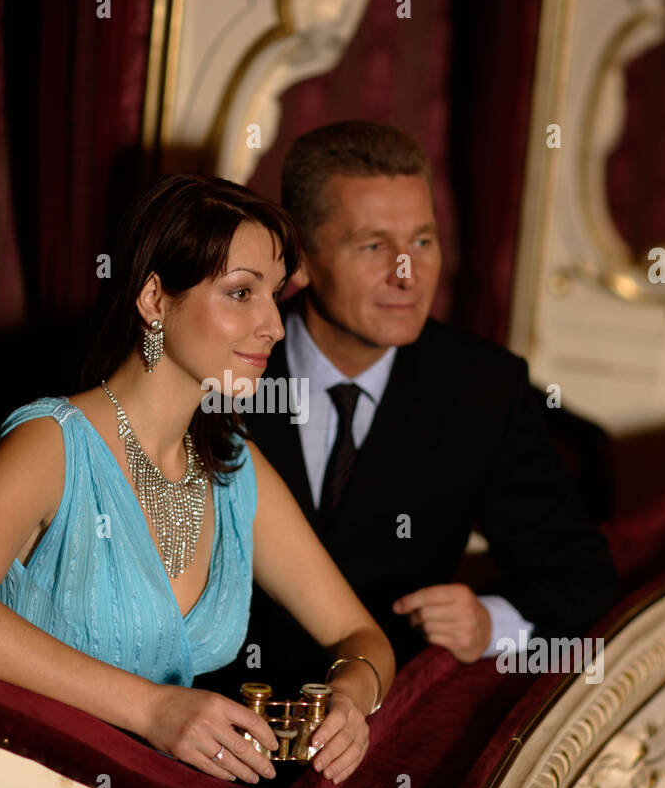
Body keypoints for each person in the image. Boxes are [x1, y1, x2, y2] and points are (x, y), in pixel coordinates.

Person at [0, 172, 395, 786]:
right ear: (155, 300)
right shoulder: (51, 442)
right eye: (242, 293)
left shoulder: (234, 466)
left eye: (275, 296)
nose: (274, 325)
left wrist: (350, 698)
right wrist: (154, 707)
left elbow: (362, 636)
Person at [194, 120, 617, 697]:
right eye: (374, 246)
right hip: (203, 720)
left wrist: (492, 623)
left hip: (384, 729)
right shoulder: (214, 365)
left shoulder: (483, 387)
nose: (407, 275)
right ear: (301, 259)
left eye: (422, 241)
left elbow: (582, 576)